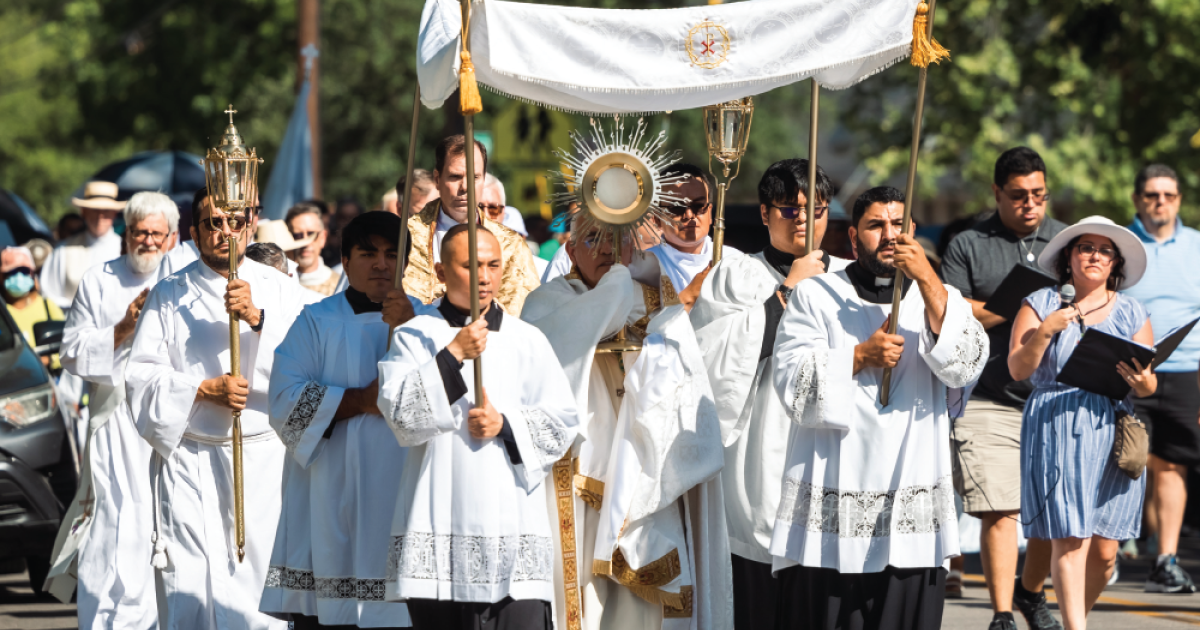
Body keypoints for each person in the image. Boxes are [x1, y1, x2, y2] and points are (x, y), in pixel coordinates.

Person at [770, 186, 987, 630]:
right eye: (875, 226)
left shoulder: (939, 297)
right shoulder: (816, 295)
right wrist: (858, 357)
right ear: (853, 238)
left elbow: (965, 365)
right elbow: (790, 382)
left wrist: (927, 279)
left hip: (911, 496)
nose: (889, 235)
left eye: (898, 225)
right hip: (833, 495)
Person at [522, 219, 732, 630]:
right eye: (592, 239)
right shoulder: (545, 302)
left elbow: (687, 379)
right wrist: (617, 287)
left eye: (616, 240)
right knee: (581, 588)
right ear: (568, 250)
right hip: (575, 472)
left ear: (632, 247)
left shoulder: (657, 304)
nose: (604, 250)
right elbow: (548, 362)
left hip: (645, 472)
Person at [377, 224, 577, 630]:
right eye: (470, 266)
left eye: (493, 265)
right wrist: (452, 355)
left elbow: (563, 422)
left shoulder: (528, 340)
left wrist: (505, 424)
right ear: (440, 271)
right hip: (438, 525)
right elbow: (401, 417)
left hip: (512, 528)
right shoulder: (415, 335)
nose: (485, 277)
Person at [125, 197, 311, 630]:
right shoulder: (169, 294)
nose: (224, 231)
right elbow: (140, 377)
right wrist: (202, 389)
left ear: (251, 226)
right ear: (194, 232)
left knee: (260, 577)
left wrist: (258, 318)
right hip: (192, 458)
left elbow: (309, 359)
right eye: (212, 222)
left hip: (262, 459)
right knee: (189, 579)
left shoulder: (279, 287)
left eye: (235, 221)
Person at [690, 158, 849, 630]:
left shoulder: (847, 278)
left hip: (830, 450)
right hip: (761, 445)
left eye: (815, 209)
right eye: (789, 209)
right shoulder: (736, 274)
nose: (803, 219)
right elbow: (712, 358)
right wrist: (788, 290)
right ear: (764, 213)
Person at [262, 212, 427, 629]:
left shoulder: (428, 322)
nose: (380, 264)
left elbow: (448, 402)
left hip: (403, 490)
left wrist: (410, 332)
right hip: (329, 487)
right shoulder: (316, 322)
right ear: (346, 259)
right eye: (368, 253)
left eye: (393, 254)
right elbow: (283, 402)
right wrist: (360, 400)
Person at [940, 147, 1065, 630]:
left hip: (1053, 396)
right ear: (997, 194)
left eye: (1039, 194)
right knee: (1001, 506)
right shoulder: (969, 244)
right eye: (1018, 196)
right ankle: (1001, 614)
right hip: (989, 395)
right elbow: (948, 308)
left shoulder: (1066, 241)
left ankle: (1030, 592)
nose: (1030, 204)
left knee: (1051, 509)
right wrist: (1012, 306)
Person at [1008, 216, 1154, 629]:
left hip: (1113, 426)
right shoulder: (1040, 302)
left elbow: (1148, 384)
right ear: (1068, 258)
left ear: (1115, 264)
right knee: (1072, 536)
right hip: (1058, 423)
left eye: (1105, 250)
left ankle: (1075, 619)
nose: (1095, 255)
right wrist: (1045, 332)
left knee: (1106, 552)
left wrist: (1143, 382)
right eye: (1085, 247)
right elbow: (1018, 369)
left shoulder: (1131, 310)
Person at [42, 192, 179, 628]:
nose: (148, 241)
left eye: (157, 234)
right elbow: (73, 353)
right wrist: (122, 329)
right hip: (116, 423)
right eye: (140, 232)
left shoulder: (184, 279)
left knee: (169, 521)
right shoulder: (98, 280)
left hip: (173, 420)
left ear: (173, 238)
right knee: (117, 521)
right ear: (127, 233)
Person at [1117, 164, 1200, 594]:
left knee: (1172, 465)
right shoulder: (1122, 247)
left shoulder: (1197, 246)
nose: (1160, 202)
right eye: (1151, 195)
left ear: (1179, 200)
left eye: (1168, 195)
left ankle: (1165, 560)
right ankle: (1106, 549)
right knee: (1126, 463)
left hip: (1188, 371)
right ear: (1137, 200)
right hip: (1130, 371)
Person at [401, 135, 540, 315]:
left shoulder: (510, 244)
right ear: (437, 179)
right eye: (455, 176)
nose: (465, 187)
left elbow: (524, 311)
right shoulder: (404, 236)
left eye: (474, 177)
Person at [645, 164, 740, 309]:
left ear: (709, 213)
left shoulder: (735, 261)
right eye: (676, 207)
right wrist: (689, 297)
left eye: (698, 206)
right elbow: (644, 329)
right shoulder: (643, 267)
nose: (689, 215)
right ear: (657, 219)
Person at [41, 181, 125, 309]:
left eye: (106, 210)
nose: (100, 216)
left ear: (114, 213)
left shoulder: (125, 250)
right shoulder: (63, 250)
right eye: (94, 210)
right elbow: (49, 294)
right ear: (83, 212)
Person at [3, 246, 64, 354]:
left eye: (24, 270)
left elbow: (68, 343)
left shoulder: (47, 306)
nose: (19, 276)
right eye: (11, 272)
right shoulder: (2, 313)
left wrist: (49, 359)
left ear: (33, 274)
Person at [284, 203, 342, 296]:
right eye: (298, 236)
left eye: (311, 234)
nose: (305, 242)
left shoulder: (340, 287)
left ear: (323, 237)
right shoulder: (277, 284)